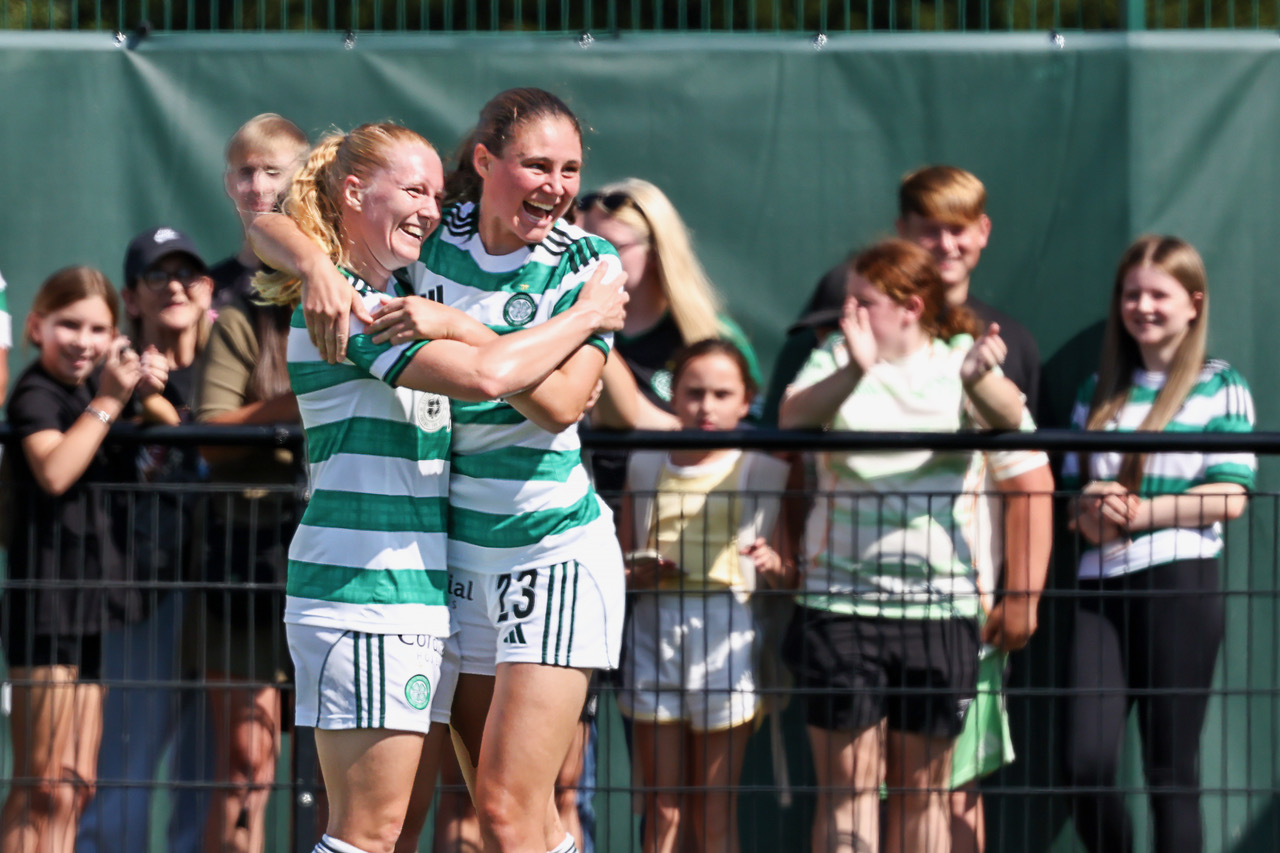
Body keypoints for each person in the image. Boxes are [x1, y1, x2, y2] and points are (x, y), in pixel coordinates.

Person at [251, 87, 627, 853]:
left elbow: (557, 404)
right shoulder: (379, 294)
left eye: (571, 168)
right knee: (402, 826)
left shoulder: (583, 263)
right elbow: (265, 219)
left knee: (502, 813)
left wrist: (454, 316)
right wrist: (316, 263)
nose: (556, 185)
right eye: (535, 164)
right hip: (403, 578)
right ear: (484, 163)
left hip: (524, 555)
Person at [778, 239, 1024, 853]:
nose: (849, 315)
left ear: (911, 306)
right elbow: (793, 420)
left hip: (939, 613)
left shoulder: (958, 361)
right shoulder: (836, 355)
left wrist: (981, 379)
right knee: (847, 793)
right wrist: (854, 369)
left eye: (864, 303)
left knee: (923, 795)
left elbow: (1012, 419)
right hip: (840, 609)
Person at [1060, 235, 1254, 853]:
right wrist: (1094, 512)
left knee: (1171, 773)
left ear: (1193, 303)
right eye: (1131, 293)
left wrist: (1140, 512)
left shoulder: (1221, 386)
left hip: (1181, 584)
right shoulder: (1098, 390)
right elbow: (1074, 500)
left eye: (1158, 294)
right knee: (1084, 764)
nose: (1142, 306)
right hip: (1099, 590)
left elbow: (1230, 495)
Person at [0, 266, 163, 853]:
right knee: (42, 783)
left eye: (98, 328)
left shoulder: (95, 392)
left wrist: (145, 393)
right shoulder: (36, 393)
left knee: (75, 785)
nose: (83, 341)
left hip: (95, 607)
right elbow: (55, 469)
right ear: (38, 325)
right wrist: (111, 399)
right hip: (45, 608)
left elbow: (170, 435)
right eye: (70, 324)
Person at [617, 339, 792, 853]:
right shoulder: (645, 462)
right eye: (694, 392)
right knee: (662, 804)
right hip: (652, 628)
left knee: (715, 807)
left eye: (721, 393)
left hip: (728, 632)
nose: (706, 406)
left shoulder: (762, 467)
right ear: (674, 396)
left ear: (746, 400)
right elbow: (624, 559)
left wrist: (774, 563)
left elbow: (791, 569)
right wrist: (637, 573)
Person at [77, 227, 215, 853]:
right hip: (138, 591)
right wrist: (126, 395)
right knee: (126, 755)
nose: (175, 286)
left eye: (187, 272)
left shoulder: (230, 366)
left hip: (225, 587)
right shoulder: (103, 373)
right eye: (158, 276)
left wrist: (171, 404)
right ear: (131, 298)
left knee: (207, 766)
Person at [578, 178, 763, 493]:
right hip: (590, 510)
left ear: (654, 252)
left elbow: (751, 431)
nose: (593, 259)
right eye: (586, 244)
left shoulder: (712, 336)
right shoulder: (570, 326)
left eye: (609, 247)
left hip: (685, 515)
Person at [212, 113, 310, 308]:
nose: (258, 187)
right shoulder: (208, 291)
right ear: (229, 183)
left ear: (302, 181)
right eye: (246, 172)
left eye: (273, 172)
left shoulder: (327, 277)